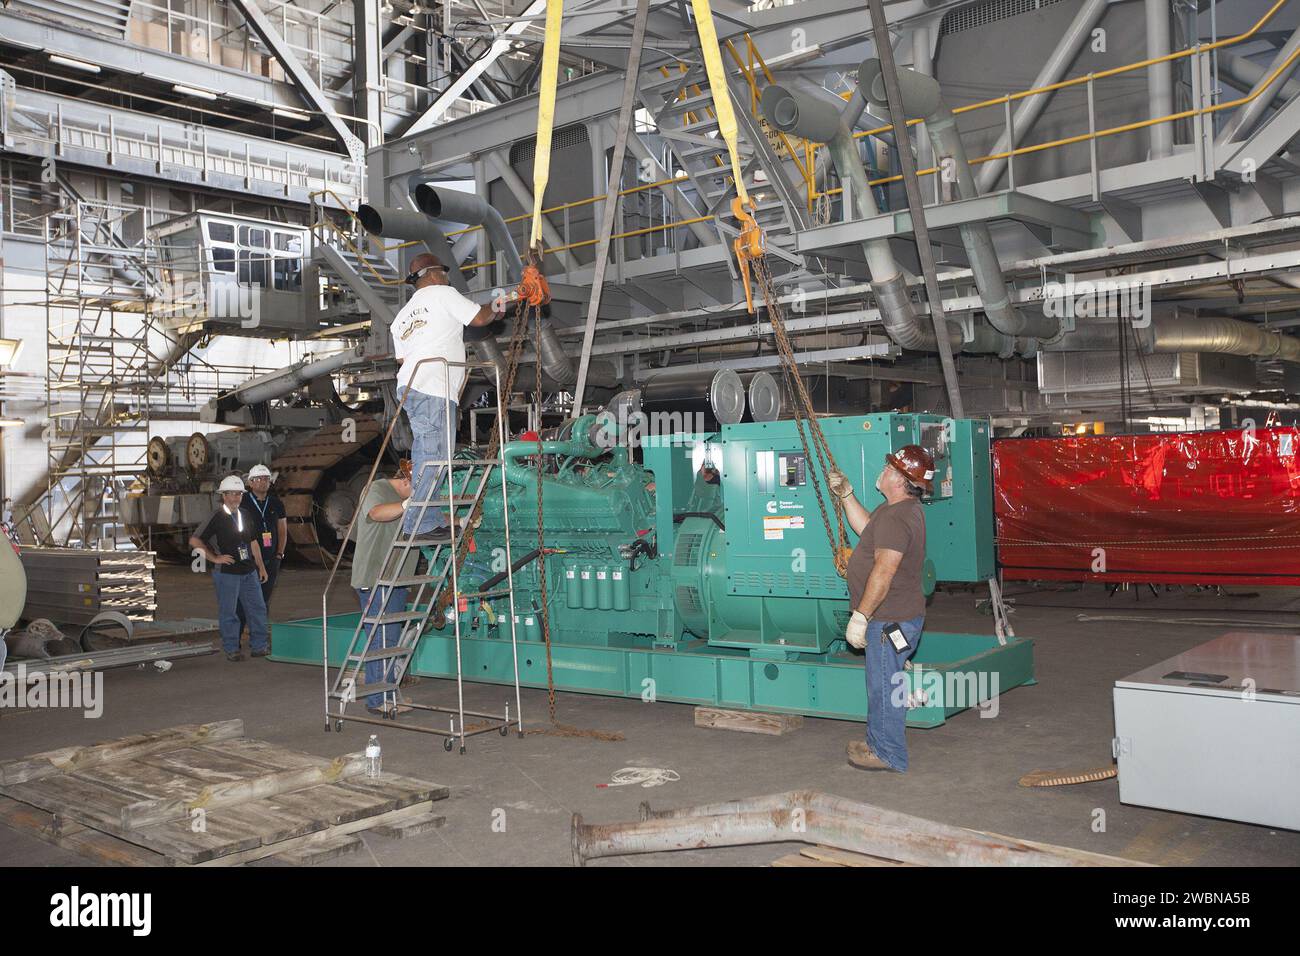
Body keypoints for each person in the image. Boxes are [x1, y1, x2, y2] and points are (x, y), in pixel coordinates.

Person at [828, 444, 936, 773]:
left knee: (883, 684)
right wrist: (846, 495)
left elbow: (884, 572)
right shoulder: (897, 510)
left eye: (889, 468)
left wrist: (861, 616)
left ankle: (887, 754)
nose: (883, 471)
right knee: (888, 677)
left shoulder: (897, 517)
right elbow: (865, 529)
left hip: (888, 622)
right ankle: (879, 741)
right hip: (900, 619)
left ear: (901, 479)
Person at [391, 252, 495, 544]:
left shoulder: (401, 318)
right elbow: (480, 316)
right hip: (435, 386)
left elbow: (403, 360)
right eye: (444, 273)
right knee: (435, 457)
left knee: (429, 454)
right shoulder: (443, 293)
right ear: (434, 273)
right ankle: (419, 523)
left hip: (411, 386)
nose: (448, 277)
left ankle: (428, 520)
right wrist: (504, 301)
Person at [351, 460, 418, 715]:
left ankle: (388, 694)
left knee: (391, 640)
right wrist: (405, 505)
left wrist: (456, 520)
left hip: (397, 579)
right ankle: (377, 701)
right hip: (375, 579)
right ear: (405, 481)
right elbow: (376, 513)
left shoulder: (404, 497)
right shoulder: (376, 489)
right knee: (381, 641)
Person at [189, 475, 270, 662]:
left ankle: (259, 646)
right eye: (231, 494)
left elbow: (253, 543)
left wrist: (261, 567)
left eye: (238, 494)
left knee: (258, 608)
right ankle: (231, 648)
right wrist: (214, 558)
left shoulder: (246, 514)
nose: (235, 498)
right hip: (227, 574)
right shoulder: (216, 517)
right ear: (223, 496)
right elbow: (195, 540)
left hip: (249, 571)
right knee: (229, 612)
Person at [237, 463, 286, 638]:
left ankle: (258, 632)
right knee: (243, 598)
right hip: (248, 559)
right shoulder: (243, 503)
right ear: (250, 483)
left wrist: (279, 553)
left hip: (271, 559)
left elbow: (282, 529)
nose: (262, 482)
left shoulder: (276, 503)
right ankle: (239, 631)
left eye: (266, 479)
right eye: (258, 479)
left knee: (264, 599)